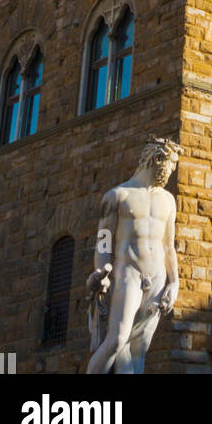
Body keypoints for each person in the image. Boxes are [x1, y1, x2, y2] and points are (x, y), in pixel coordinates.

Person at [86, 136, 181, 375]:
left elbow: (169, 246)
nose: (170, 173)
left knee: (139, 347)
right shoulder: (118, 196)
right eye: (170, 167)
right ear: (158, 159)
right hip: (128, 273)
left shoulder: (168, 201)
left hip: (158, 275)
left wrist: (175, 282)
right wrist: (101, 272)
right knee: (117, 340)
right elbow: (103, 241)